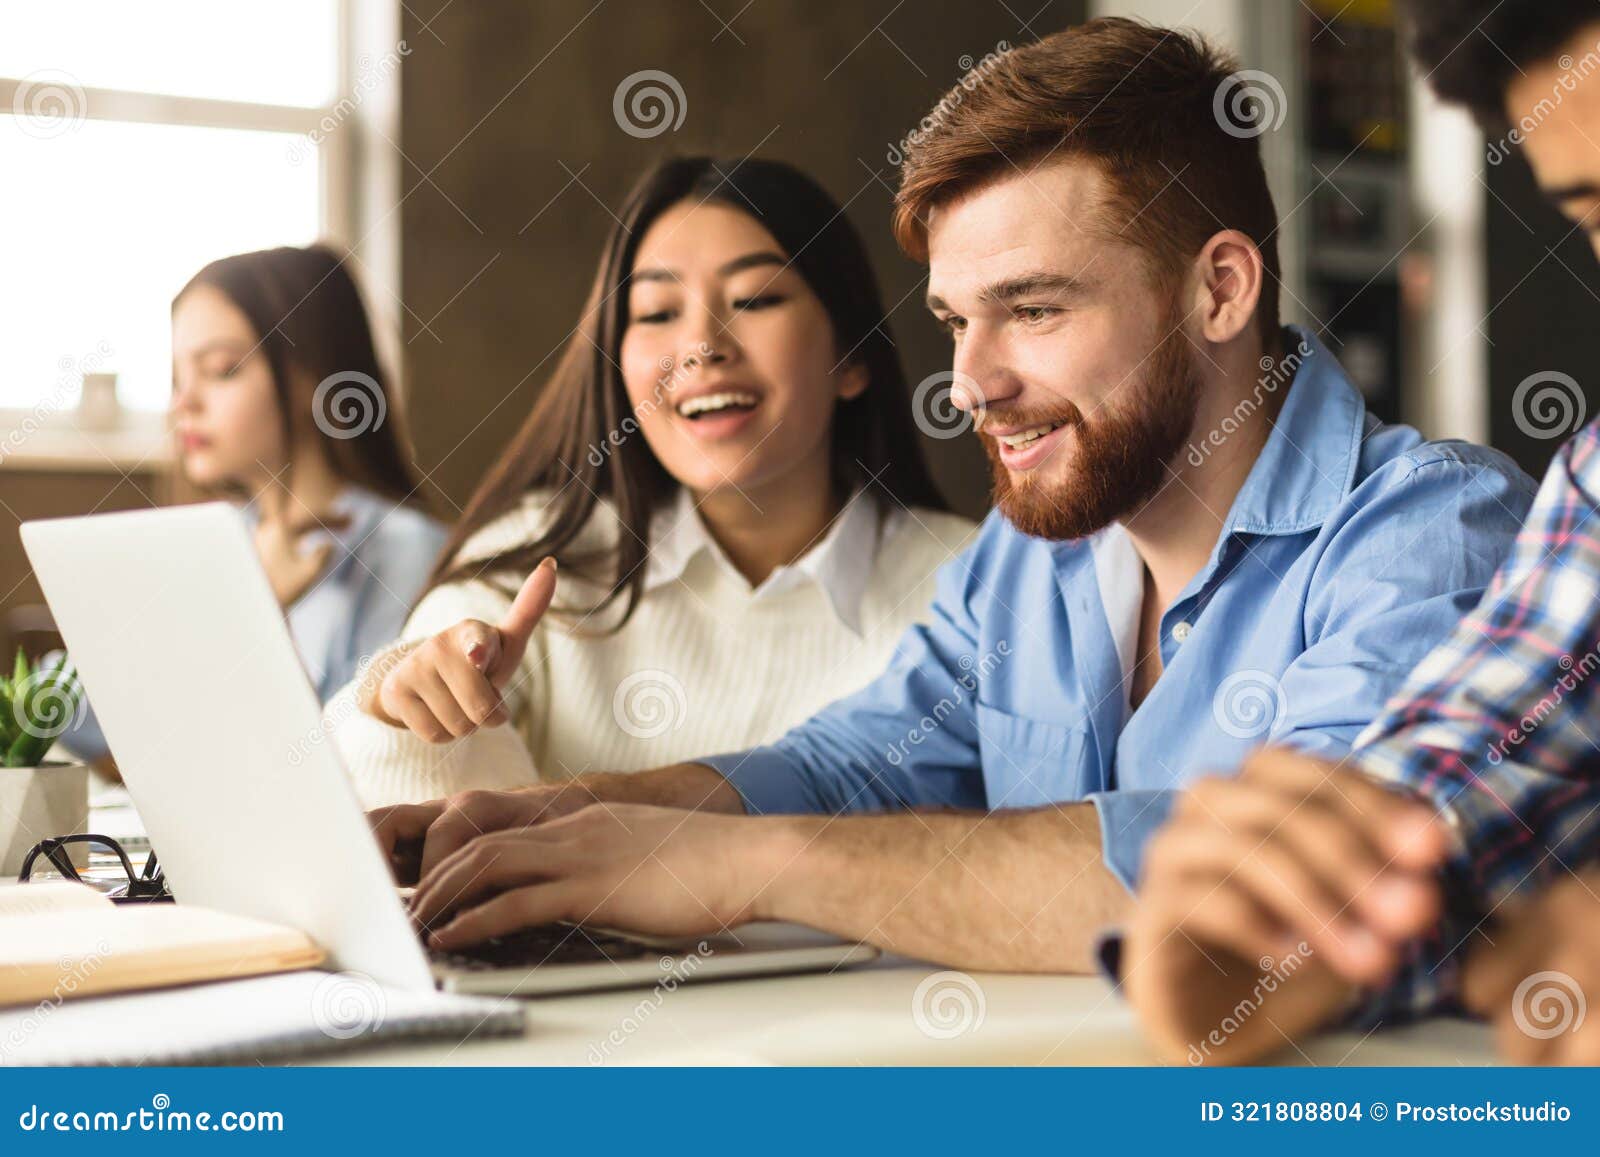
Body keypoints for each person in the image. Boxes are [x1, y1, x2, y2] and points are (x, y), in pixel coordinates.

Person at [369, 20, 1532, 970]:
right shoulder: (1042, 553)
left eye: (1032, 309)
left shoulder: (1432, 534)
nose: (971, 383)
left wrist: (744, 868)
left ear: (1219, 289)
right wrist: (559, 823)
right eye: (955, 322)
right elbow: (852, 766)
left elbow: (1297, 883)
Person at [1125, 0, 1600, 1067]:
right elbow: (1471, 766)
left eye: (1037, 307)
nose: (974, 384)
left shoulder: (1435, 509)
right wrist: (1294, 907)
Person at [329, 157, 975, 807]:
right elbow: (373, 810)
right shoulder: (535, 560)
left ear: (852, 357)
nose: (701, 346)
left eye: (755, 299)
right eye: (659, 311)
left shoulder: (974, 583)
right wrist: (402, 700)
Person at [57, 244, 446, 769]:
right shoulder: (216, 539)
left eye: (220, 369)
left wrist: (257, 612)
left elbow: (365, 767)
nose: (183, 403)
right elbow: (67, 710)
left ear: (312, 374)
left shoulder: (407, 551)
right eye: (176, 377)